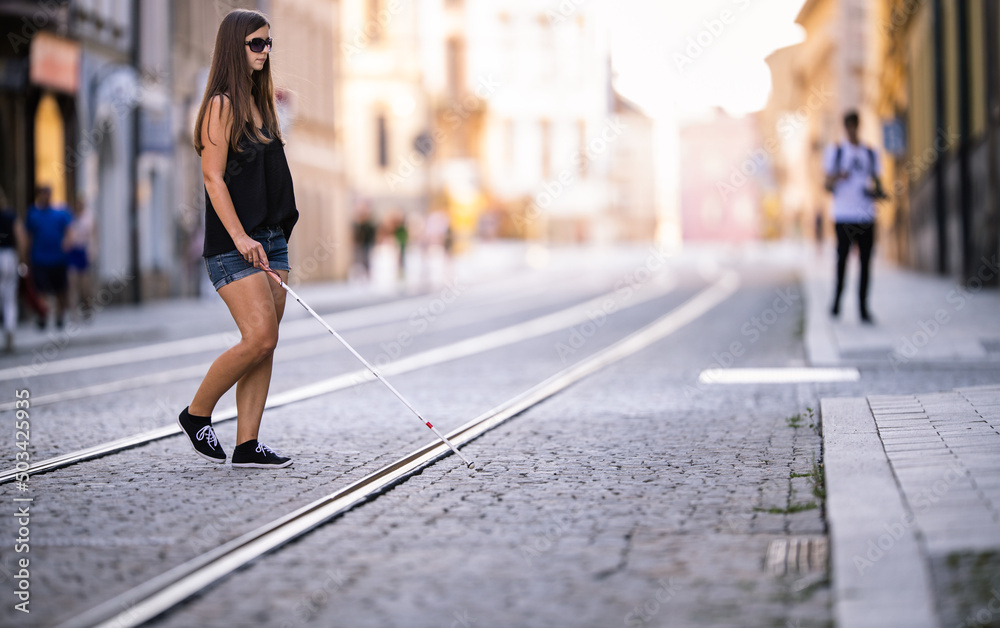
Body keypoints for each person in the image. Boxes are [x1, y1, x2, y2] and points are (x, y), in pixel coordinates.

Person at [178, 8, 299, 468]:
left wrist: (271, 236)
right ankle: (196, 413)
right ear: (235, 46)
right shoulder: (221, 105)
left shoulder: (262, 104)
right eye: (256, 44)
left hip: (272, 240)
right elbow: (213, 179)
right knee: (260, 336)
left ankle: (248, 443)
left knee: (266, 341)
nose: (265, 53)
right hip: (235, 245)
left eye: (269, 44)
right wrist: (241, 236)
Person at [823, 110, 882, 323]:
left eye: (855, 125)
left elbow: (878, 183)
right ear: (844, 127)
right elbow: (827, 185)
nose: (852, 130)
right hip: (843, 215)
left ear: (859, 126)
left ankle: (863, 308)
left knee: (866, 263)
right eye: (848, 126)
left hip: (866, 214)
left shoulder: (870, 153)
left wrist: (877, 193)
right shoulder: (836, 152)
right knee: (842, 261)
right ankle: (837, 302)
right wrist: (840, 175)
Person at [24, 185, 72, 329]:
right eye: (43, 193)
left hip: (58, 258)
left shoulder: (60, 213)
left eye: (48, 193)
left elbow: (70, 231)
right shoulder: (33, 214)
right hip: (39, 259)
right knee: (41, 290)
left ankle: (59, 315)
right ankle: (43, 315)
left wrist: (67, 243)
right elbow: (28, 236)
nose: (46, 196)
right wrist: (25, 256)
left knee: (60, 291)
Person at [0, 190, 24, 352]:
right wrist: (22, 259)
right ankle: (9, 330)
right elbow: (20, 236)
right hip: (8, 256)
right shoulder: (10, 215)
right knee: (9, 297)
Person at [64, 198, 95, 319]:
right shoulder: (70, 218)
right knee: (72, 283)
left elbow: (93, 235)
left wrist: (92, 251)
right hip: (73, 252)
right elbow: (67, 235)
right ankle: (73, 312)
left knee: (85, 286)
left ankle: (87, 306)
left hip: (84, 251)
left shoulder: (89, 218)